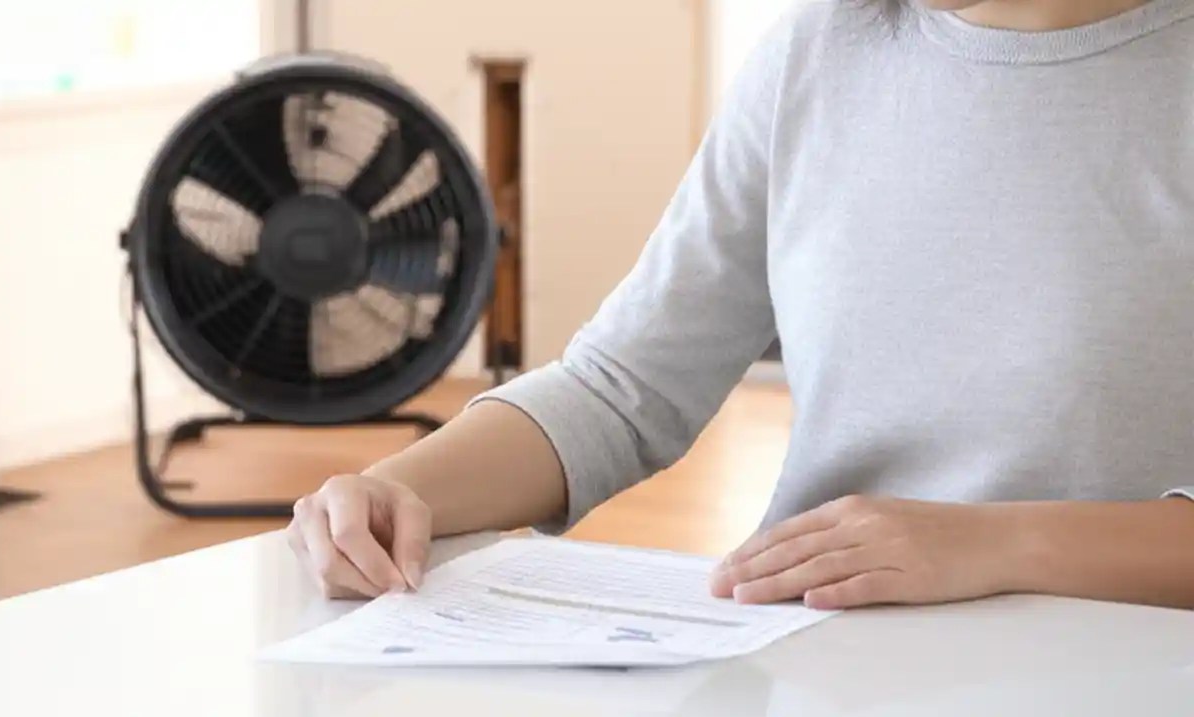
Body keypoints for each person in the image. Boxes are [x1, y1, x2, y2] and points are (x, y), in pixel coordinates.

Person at [288, 0, 1194, 610]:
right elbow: (619, 386)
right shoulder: (817, 51)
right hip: (816, 659)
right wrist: (394, 492)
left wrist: (998, 548)